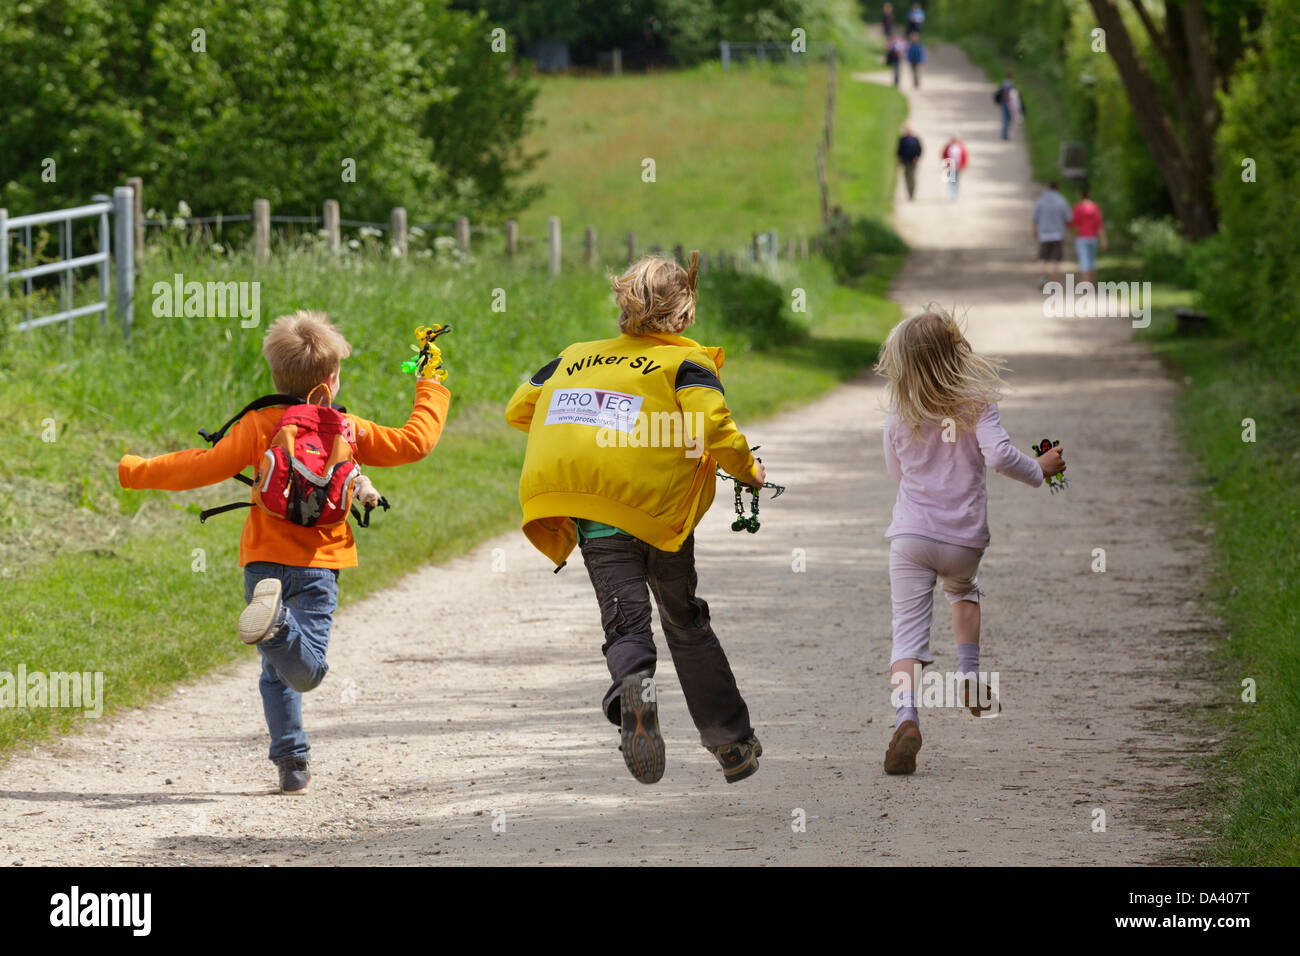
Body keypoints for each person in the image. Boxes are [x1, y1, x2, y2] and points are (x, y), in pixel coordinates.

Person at [117, 311, 451, 794]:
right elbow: (414, 441)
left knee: (275, 673)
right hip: (319, 566)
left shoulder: (259, 424)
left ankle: (292, 762)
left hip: (263, 563)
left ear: (275, 373)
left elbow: (201, 466)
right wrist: (431, 382)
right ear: (331, 380)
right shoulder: (346, 428)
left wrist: (135, 470)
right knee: (308, 669)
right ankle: (278, 635)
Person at [504, 253, 766, 786]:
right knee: (685, 620)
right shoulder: (687, 363)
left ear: (623, 307)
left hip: (600, 519)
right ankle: (731, 744)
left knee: (625, 622)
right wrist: (750, 470)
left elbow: (520, 408)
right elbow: (713, 429)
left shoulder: (572, 358)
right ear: (685, 315)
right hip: (661, 516)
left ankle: (634, 692)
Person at [874, 308, 1066, 774]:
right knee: (962, 591)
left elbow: (895, 474)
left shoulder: (900, 413)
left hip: (912, 537)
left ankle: (907, 718)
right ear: (956, 352)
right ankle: (969, 673)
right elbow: (998, 455)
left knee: (907, 636)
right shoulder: (978, 401)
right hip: (963, 541)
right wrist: (1039, 471)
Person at [1032, 180, 1073, 287]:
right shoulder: (1062, 201)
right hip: (1057, 234)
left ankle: (1042, 277)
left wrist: (1035, 230)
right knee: (1056, 259)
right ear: (1057, 189)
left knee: (1042, 257)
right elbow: (1068, 218)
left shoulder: (1040, 200)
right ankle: (1054, 282)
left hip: (1044, 234)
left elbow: (1035, 218)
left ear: (1047, 188)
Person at [1068, 187, 1108, 286]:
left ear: (1080, 196)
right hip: (1093, 238)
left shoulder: (1078, 207)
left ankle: (1086, 286)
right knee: (1092, 262)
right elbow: (1099, 226)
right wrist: (1103, 240)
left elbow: (1072, 223)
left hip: (1081, 238)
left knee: (1084, 262)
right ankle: (1093, 284)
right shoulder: (1095, 207)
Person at [897, 125, 923, 200]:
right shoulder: (902, 140)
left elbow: (919, 149)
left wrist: (917, 157)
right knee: (906, 177)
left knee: (912, 177)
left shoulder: (915, 140)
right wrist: (899, 158)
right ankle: (909, 192)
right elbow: (899, 150)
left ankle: (912, 192)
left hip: (913, 162)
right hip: (905, 161)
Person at [941, 134, 967, 200]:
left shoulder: (960, 147)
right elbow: (944, 155)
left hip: (958, 166)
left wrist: (963, 165)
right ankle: (951, 194)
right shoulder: (948, 147)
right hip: (951, 166)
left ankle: (954, 194)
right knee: (951, 180)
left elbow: (964, 157)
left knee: (956, 181)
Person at [995, 72, 1014, 140]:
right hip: (1006, 103)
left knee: (1005, 118)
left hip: (1004, 103)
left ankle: (1004, 135)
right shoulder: (1008, 83)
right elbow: (1006, 93)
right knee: (1007, 119)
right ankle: (1004, 135)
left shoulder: (1005, 82)